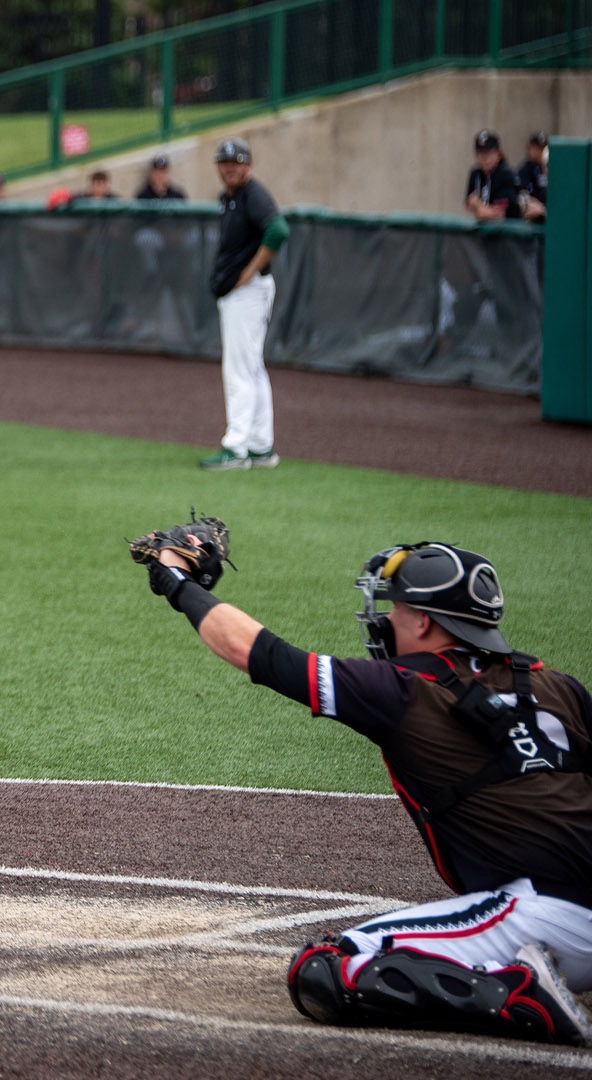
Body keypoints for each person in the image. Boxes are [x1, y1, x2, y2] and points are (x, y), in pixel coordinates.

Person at [134, 531, 592, 1046]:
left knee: (330, 969)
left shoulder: (400, 688)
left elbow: (255, 651)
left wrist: (176, 581)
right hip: (575, 908)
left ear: (423, 621)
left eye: (395, 607)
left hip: (547, 914)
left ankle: (518, 997)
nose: (385, 618)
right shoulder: (560, 687)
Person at [201, 138, 286, 471]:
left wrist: (250, 270)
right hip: (243, 293)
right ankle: (261, 446)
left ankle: (235, 447)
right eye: (224, 163)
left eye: (236, 163)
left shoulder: (254, 195)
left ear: (249, 165)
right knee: (252, 368)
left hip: (247, 293)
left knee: (238, 370)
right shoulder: (232, 198)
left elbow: (278, 230)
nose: (230, 168)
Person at [465, 130, 520, 222]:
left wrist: (478, 207)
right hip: (486, 231)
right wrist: (481, 210)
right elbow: (467, 204)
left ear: (498, 153)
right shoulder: (476, 173)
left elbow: (499, 214)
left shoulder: (505, 174)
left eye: (488, 152)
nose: (484, 157)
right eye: (480, 153)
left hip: (509, 232)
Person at [516, 132, 548, 224]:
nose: (539, 152)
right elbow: (521, 193)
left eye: (542, 148)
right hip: (529, 215)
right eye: (536, 148)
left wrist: (542, 209)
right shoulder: (524, 169)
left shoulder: (550, 169)